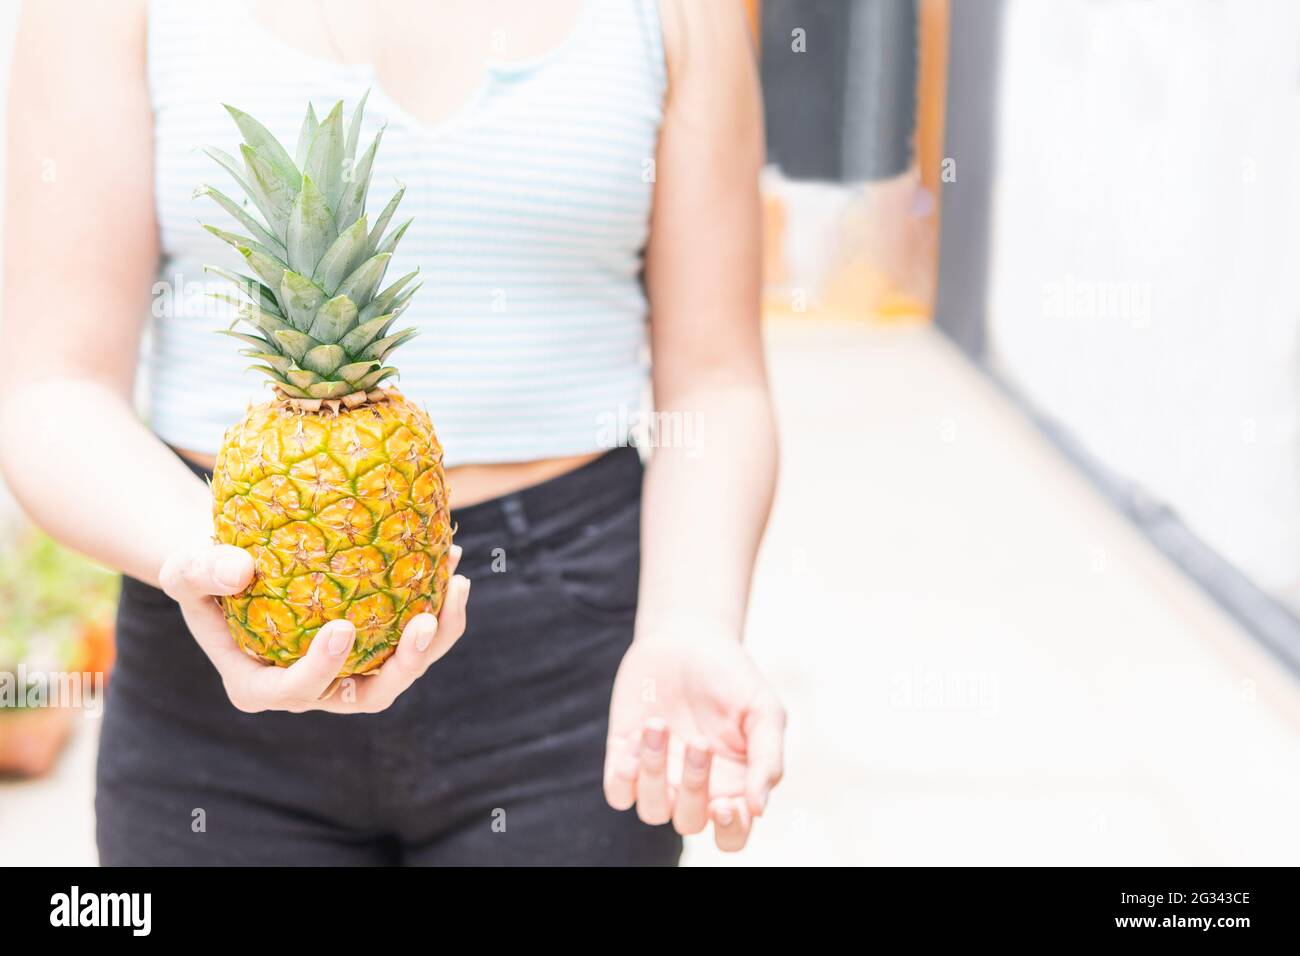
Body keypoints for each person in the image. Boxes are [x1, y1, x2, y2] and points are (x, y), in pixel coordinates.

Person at [0, 0, 785, 865]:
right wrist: (219, 564)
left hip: (571, 659)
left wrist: (692, 620)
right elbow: (51, 386)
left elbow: (715, 380)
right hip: (208, 626)